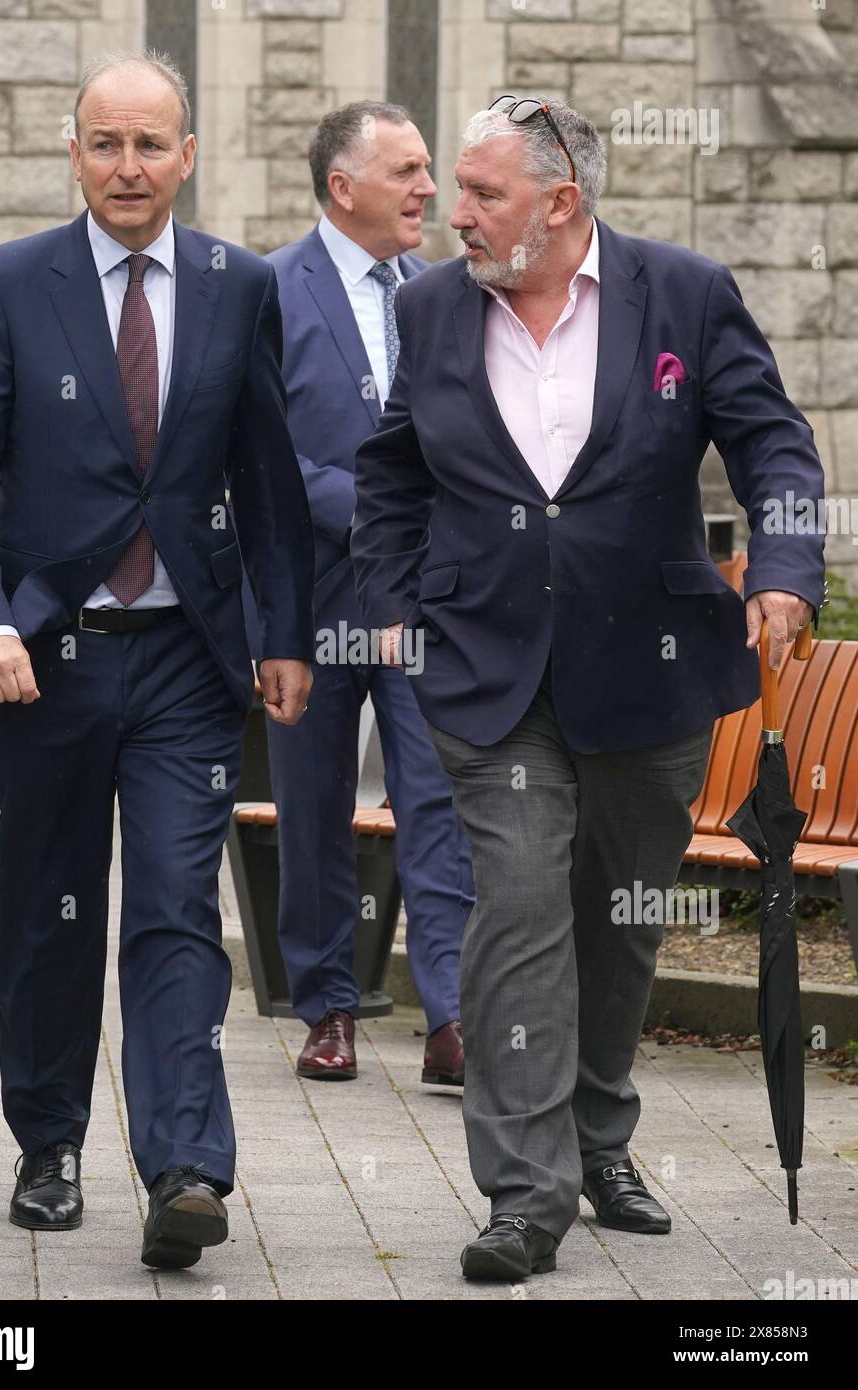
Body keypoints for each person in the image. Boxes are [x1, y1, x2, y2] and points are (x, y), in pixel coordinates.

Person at [351, 96, 825, 1282]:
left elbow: (774, 441)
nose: (451, 214)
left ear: (562, 203)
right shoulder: (431, 306)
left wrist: (782, 569)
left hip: (649, 667)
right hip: (487, 668)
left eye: (481, 194)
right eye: (452, 189)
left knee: (620, 920)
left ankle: (601, 1135)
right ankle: (525, 1192)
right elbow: (394, 469)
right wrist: (398, 607)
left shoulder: (685, 294)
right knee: (518, 911)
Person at [0, 49, 314, 1271]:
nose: (129, 166)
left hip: (190, 661)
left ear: (187, 156)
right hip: (45, 657)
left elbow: (269, 476)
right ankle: (49, 1140)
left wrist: (288, 631)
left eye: (152, 144)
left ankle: (187, 1164)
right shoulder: (5, 285)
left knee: (176, 905)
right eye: (107, 143)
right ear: (76, 152)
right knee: (51, 905)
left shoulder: (240, 285)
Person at [244, 102, 474, 1085]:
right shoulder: (268, 294)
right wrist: (383, 508)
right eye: (410, 171)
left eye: (430, 170)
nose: (431, 189)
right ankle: (328, 1005)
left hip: (424, 607)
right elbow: (256, 457)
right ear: (344, 187)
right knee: (313, 803)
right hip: (311, 602)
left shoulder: (442, 292)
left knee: (439, 799)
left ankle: (452, 1017)